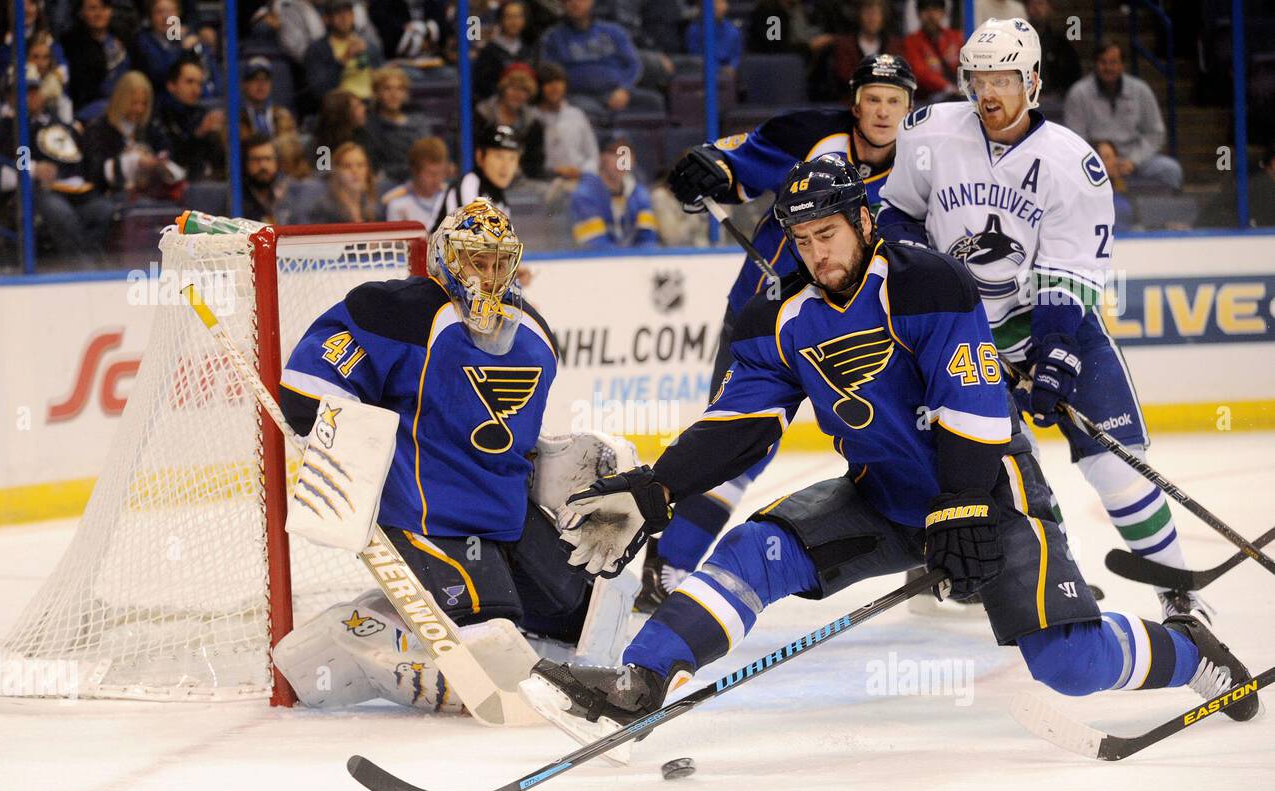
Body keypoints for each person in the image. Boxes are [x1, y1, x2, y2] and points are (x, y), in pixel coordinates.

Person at [527, 153, 1259, 737]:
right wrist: (657, 487)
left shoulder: (925, 285)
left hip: (990, 495)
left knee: (1068, 661)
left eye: (828, 235)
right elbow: (738, 425)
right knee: (757, 549)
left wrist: (962, 509)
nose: (816, 253)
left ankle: (1194, 655)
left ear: (864, 221)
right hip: (879, 499)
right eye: (804, 241)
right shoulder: (777, 321)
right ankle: (640, 681)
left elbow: (972, 411)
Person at [879, 17, 1206, 620]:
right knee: (983, 461)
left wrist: (1054, 353)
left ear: (1032, 80)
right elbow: (897, 214)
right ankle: (1030, 572)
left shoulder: (1070, 163)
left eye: (1002, 78)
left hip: (1047, 322)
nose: (988, 93)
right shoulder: (930, 132)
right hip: (964, 333)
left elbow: (1067, 276)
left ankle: (1180, 593)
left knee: (1114, 464)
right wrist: (922, 267)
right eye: (977, 79)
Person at [273, 199, 630, 712]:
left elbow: (516, 438)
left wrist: (565, 468)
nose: (487, 275)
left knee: (576, 611)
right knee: (489, 631)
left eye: (498, 262)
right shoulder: (398, 312)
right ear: (443, 257)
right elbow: (307, 392)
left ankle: (389, 616)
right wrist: (352, 456)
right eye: (474, 260)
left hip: (505, 518)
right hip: (426, 516)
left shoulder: (534, 334)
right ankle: (356, 642)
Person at [640, 52, 916, 610]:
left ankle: (944, 548)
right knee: (740, 438)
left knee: (905, 439)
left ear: (910, 109)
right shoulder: (811, 135)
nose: (883, 113)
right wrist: (707, 170)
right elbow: (733, 166)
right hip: (765, 319)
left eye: (896, 101)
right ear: (855, 101)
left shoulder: (925, 161)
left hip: (865, 335)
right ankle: (668, 564)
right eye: (873, 99)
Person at [0, 65, 115, 260]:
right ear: (10, 97)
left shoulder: (59, 123)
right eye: (22, 92)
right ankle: (82, 267)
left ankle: (85, 262)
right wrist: (34, 170)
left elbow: (80, 158)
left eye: (34, 90)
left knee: (104, 210)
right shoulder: (9, 130)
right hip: (38, 194)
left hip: (77, 193)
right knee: (59, 212)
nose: (30, 96)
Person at [1063, 41, 1182, 191]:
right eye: (1103, 62)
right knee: (1069, 175)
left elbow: (1155, 133)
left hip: (1133, 157)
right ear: (1095, 64)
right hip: (1094, 159)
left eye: (1113, 62)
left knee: (1171, 169)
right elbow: (1074, 138)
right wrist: (1098, 159)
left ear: (1122, 65)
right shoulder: (1078, 93)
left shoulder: (1141, 90)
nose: (1108, 68)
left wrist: (1133, 160)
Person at [537, 0, 663, 120]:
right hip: (578, 96)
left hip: (617, 91)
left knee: (653, 101)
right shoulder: (552, 37)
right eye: (568, 0)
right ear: (561, 4)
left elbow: (634, 65)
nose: (574, 3)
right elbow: (550, 74)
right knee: (585, 112)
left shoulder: (614, 31)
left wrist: (625, 89)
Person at [82, 70, 183, 201]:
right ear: (121, 100)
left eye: (144, 103)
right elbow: (95, 172)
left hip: (152, 191)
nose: (139, 109)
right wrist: (135, 162)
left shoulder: (150, 128)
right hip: (112, 195)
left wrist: (158, 163)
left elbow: (167, 152)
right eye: (134, 103)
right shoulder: (99, 129)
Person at [569, 133, 658, 246]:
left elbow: (648, 238)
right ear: (601, 158)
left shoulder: (640, 194)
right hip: (594, 262)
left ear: (633, 159)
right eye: (614, 154)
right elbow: (595, 244)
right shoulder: (585, 195)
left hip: (632, 261)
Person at [745, 0, 837, 102]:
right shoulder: (770, 13)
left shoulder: (797, 9)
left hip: (799, 70)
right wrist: (811, 46)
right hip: (771, 77)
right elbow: (776, 49)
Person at [153, 53, 225, 181]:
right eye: (189, 82)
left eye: (199, 84)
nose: (196, 90)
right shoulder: (158, 115)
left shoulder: (200, 114)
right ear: (171, 85)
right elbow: (172, 158)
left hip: (203, 182)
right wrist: (199, 134)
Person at [434, 122, 521, 227]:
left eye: (512, 158)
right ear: (480, 157)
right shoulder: (468, 184)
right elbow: (469, 238)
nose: (505, 166)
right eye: (498, 156)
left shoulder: (500, 200)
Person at [61, 0, 132, 124]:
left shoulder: (123, 35)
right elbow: (81, 89)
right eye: (93, 8)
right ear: (81, 13)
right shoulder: (72, 43)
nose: (99, 13)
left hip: (128, 102)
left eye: (104, 7)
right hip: (91, 109)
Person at [134, 0, 221, 99]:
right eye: (159, 12)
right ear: (151, 16)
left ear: (178, 14)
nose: (165, 17)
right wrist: (182, 49)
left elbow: (211, 73)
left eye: (170, 12)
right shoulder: (143, 41)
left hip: (198, 102)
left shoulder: (189, 39)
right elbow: (161, 74)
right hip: (162, 103)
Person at [304, 0, 384, 102]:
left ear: (353, 16)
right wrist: (343, 60)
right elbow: (319, 89)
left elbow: (380, 75)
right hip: (342, 105)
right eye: (338, 14)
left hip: (372, 102)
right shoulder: (317, 49)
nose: (344, 18)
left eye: (348, 13)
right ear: (326, 19)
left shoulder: (367, 44)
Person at [475, 62, 544, 180]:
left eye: (524, 90)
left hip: (521, 182)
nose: (517, 94)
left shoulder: (533, 123)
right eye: (513, 88)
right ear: (503, 88)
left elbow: (534, 164)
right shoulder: (482, 117)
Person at [364, 65, 432, 182]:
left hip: (422, 180)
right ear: (376, 92)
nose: (394, 94)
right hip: (387, 183)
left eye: (400, 89)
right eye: (387, 88)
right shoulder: (370, 126)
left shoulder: (419, 122)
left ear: (406, 93)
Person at [532, 62, 596, 182]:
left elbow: (592, 155)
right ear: (539, 87)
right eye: (549, 82)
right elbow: (529, 162)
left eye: (559, 81)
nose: (555, 87)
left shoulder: (576, 114)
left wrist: (583, 173)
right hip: (545, 181)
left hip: (581, 179)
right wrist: (555, 172)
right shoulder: (531, 117)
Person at [832, 0, 901, 101]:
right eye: (867, 14)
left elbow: (897, 74)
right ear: (859, 16)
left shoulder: (893, 45)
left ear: (883, 18)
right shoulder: (845, 44)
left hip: (886, 100)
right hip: (851, 101)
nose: (872, 19)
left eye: (876, 14)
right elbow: (844, 75)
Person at [474, 0, 537, 101]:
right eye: (509, 17)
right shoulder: (489, 51)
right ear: (500, 20)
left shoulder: (528, 50)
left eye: (518, 16)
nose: (514, 22)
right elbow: (485, 87)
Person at [304, 140, 381, 222]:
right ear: (337, 171)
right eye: (347, 166)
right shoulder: (324, 208)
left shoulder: (373, 208)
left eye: (360, 165)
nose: (355, 171)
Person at [383, 134, 449, 227]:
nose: (437, 179)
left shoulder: (450, 198)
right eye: (431, 174)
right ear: (415, 172)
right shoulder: (398, 206)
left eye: (441, 173)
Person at [902, 0, 961, 101]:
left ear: (943, 13)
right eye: (925, 10)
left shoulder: (955, 37)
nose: (931, 15)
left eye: (935, 9)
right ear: (919, 14)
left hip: (957, 93)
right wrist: (947, 87)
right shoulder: (911, 41)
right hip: (926, 99)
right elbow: (921, 73)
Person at [1025, 0, 1079, 97]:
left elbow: (1073, 75)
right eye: (1032, 4)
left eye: (1040, 3)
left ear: (1050, 8)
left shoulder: (1060, 43)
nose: (1036, 8)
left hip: (1054, 99)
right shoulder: (1018, 40)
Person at [238, 56, 298, 140]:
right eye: (255, 79)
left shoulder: (283, 116)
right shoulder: (237, 118)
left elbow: (291, 148)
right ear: (244, 84)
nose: (261, 84)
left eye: (266, 79)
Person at [240, 133, 295, 224]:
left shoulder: (287, 194)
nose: (263, 165)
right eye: (256, 159)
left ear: (277, 162)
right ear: (245, 163)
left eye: (268, 159)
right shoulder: (236, 198)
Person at [683, 0, 741, 78]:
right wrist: (719, 69)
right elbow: (695, 58)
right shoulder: (694, 30)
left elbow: (736, 56)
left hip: (729, 76)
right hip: (702, 76)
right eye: (717, 3)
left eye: (723, 2)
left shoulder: (733, 31)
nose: (721, 7)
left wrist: (732, 67)